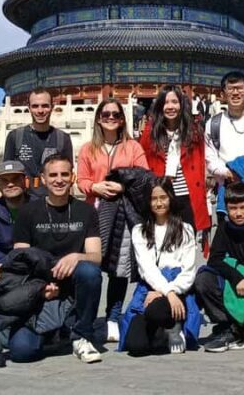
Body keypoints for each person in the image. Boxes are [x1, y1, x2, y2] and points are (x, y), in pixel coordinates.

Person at [11, 154, 103, 364]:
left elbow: (96, 257)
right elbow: (20, 259)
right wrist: (42, 285)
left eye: (64, 174)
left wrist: (76, 256)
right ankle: (54, 331)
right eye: (53, 175)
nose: (59, 180)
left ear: (72, 177)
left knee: (90, 271)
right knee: (21, 352)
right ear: (43, 179)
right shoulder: (27, 212)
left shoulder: (86, 211)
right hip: (40, 287)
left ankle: (82, 335)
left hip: (73, 285)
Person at [76, 98, 149, 342]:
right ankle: (85, 316)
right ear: (98, 118)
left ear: (122, 119)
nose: (110, 118)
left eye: (115, 115)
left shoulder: (133, 147)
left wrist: (121, 185)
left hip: (123, 213)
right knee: (91, 266)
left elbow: (144, 177)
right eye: (106, 114)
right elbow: (81, 180)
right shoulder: (88, 148)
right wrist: (95, 186)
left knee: (119, 268)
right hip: (93, 213)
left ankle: (112, 317)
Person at [121, 178, 199, 356]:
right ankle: (159, 331)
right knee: (136, 346)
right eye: (153, 199)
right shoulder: (139, 231)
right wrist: (165, 291)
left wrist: (170, 292)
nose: (158, 203)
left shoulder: (185, 229)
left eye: (163, 197)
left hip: (178, 289)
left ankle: (173, 328)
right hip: (150, 288)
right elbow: (147, 268)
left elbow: (188, 271)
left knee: (158, 310)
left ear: (171, 198)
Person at [193, 181, 244, 353]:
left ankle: (239, 329)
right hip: (233, 287)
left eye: (243, 207)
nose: (238, 214)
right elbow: (214, 260)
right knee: (203, 279)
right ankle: (228, 325)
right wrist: (238, 277)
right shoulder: (224, 229)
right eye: (233, 208)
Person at [139, 85, 208, 237]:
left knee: (187, 244)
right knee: (161, 242)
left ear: (181, 105)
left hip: (187, 196)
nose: (170, 106)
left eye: (175, 102)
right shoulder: (151, 132)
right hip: (161, 197)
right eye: (166, 102)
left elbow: (202, 164)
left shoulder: (194, 132)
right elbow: (142, 164)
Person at [205, 71, 244, 220]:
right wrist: (229, 173)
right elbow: (210, 157)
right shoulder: (213, 124)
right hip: (229, 190)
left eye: (240, 88)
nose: (235, 93)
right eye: (230, 89)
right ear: (223, 94)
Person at [2, 88, 73, 197]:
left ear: (52, 107)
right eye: (35, 106)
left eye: (45, 106)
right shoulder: (15, 137)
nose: (40, 111)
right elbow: (5, 175)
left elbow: (68, 175)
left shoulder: (63, 138)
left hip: (53, 201)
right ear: (29, 108)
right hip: (23, 202)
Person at [0, 161, 37, 289]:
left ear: (25, 181)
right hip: (3, 265)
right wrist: (13, 267)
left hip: (35, 264)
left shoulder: (39, 207)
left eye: (16, 179)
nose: (10, 184)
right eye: (4, 180)